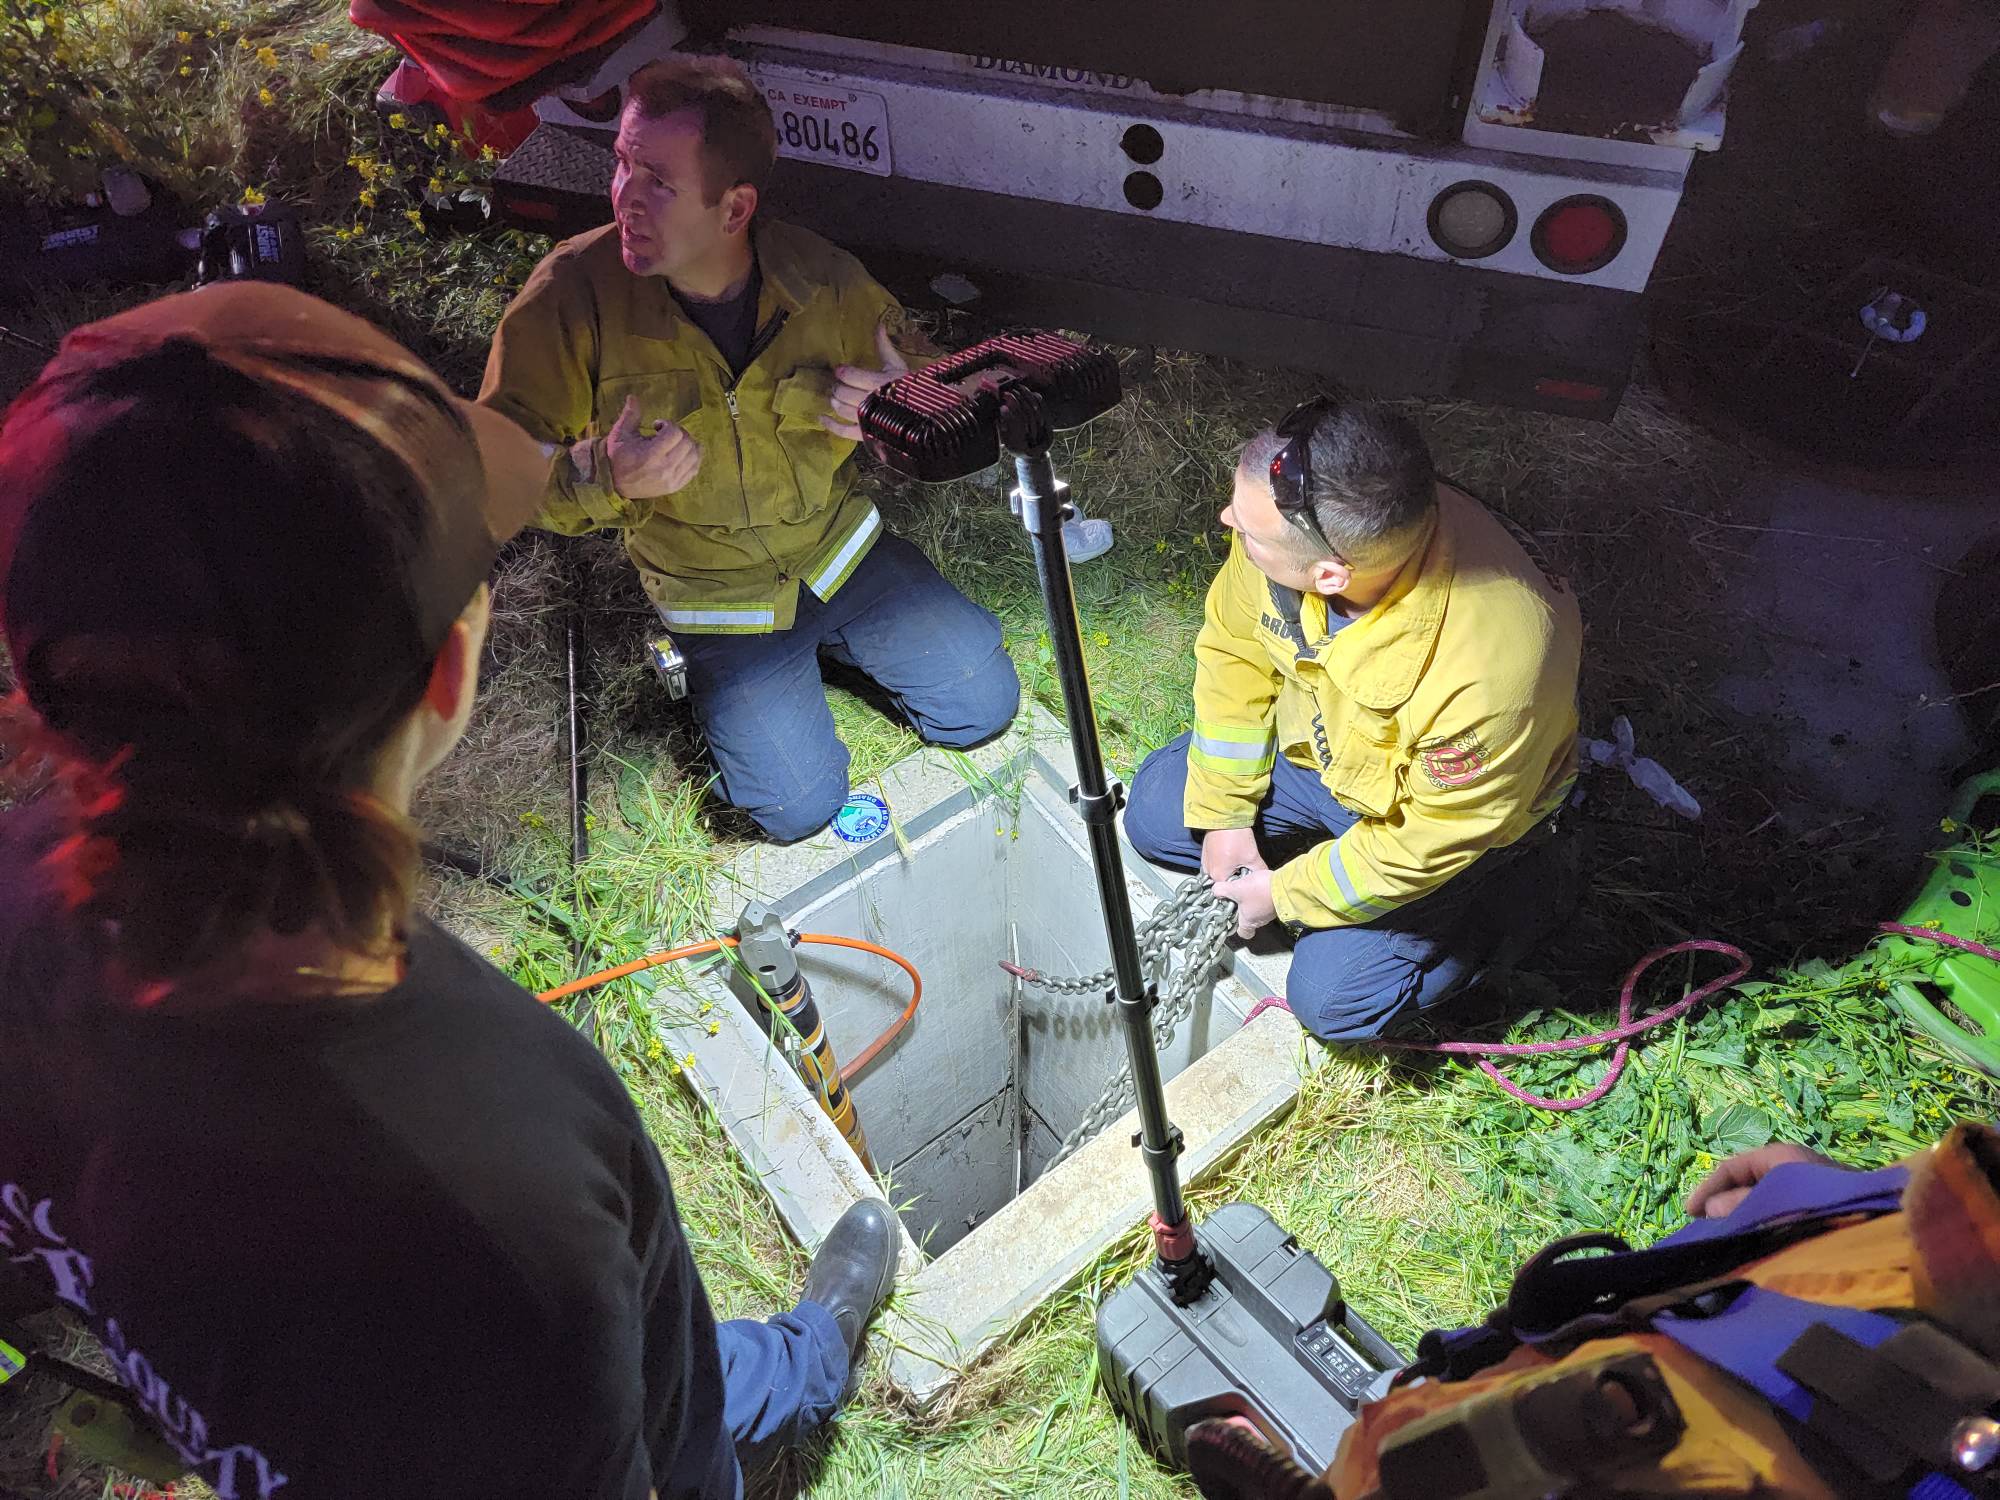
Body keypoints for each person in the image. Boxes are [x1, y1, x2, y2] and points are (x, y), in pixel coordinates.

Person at [0, 282, 898, 1499]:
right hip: (619, 1441)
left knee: (681, 1361)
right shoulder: (497, 1188)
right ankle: (805, 1362)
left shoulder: (24, 923)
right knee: (669, 1388)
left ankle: (797, 1354)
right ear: (448, 674)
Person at [479, 54, 1019, 843]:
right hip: (717, 597)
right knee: (797, 809)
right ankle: (738, 672)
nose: (625, 195)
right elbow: (494, 469)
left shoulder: (825, 279)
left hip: (840, 554)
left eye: (658, 180)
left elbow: (941, 386)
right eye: (622, 163)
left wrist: (901, 400)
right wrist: (602, 473)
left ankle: (833, 644)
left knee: (981, 708)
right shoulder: (569, 300)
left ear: (734, 208)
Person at [1122, 397, 1584, 1041]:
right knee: (1156, 815)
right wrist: (1226, 816)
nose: (1229, 522)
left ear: (1331, 575)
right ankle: (1315, 867)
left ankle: (1512, 903)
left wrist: (1284, 895)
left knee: (1335, 1000)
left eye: (1248, 530)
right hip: (1325, 761)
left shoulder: (1492, 673)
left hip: (1437, 828)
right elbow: (1235, 649)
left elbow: (1419, 845)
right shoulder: (1311, 524)